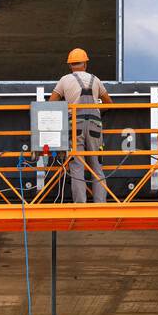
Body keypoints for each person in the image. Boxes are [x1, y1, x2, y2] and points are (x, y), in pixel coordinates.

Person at [49, 48, 113, 203]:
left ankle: (80, 204)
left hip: (74, 125)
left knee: (77, 165)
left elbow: (51, 103)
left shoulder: (64, 80)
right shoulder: (95, 80)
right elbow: (109, 104)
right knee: (96, 165)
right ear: (85, 64)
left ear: (70, 65)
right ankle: (100, 203)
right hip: (94, 126)